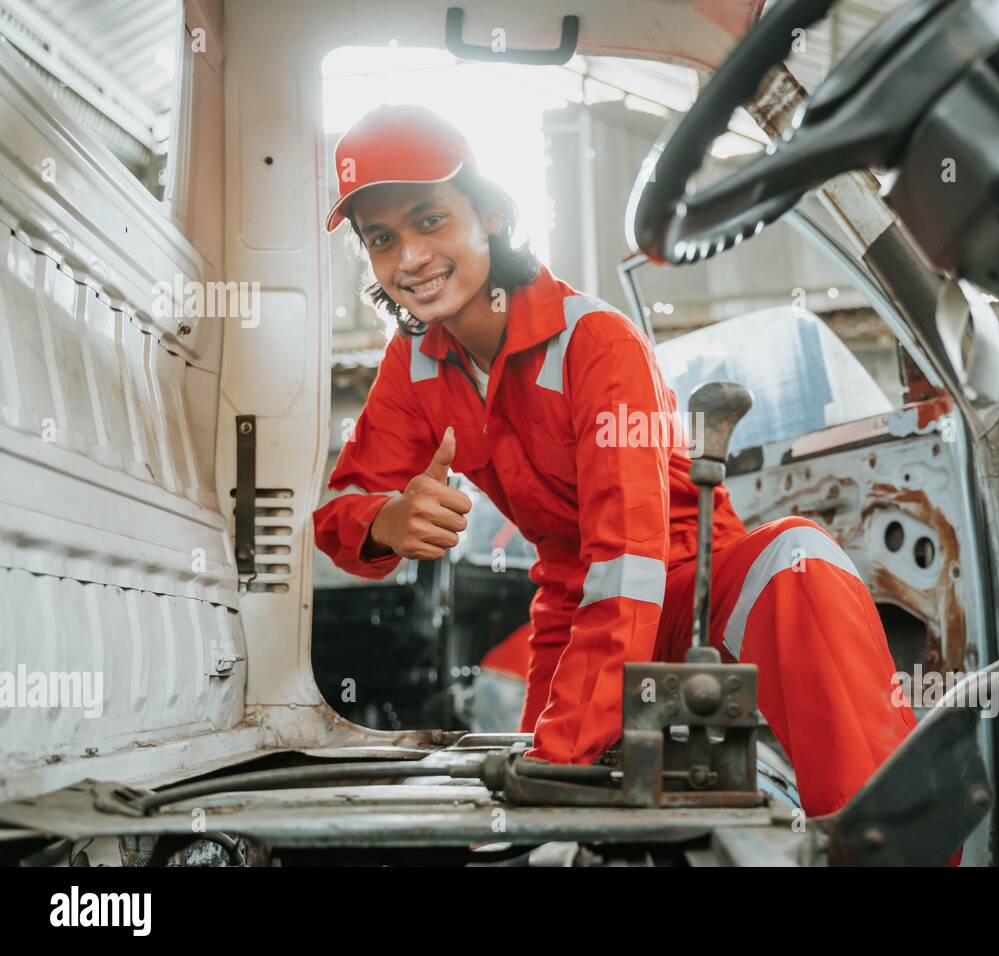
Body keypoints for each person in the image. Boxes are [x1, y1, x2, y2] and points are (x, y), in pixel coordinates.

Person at [312, 105, 920, 821]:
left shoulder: (597, 343)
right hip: (574, 608)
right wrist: (388, 519)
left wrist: (562, 755)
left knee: (797, 564)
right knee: (524, 824)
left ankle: (882, 832)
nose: (409, 257)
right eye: (381, 239)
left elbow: (629, 560)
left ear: (492, 215)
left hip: (692, 585)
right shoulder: (412, 367)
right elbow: (338, 512)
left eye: (430, 220)